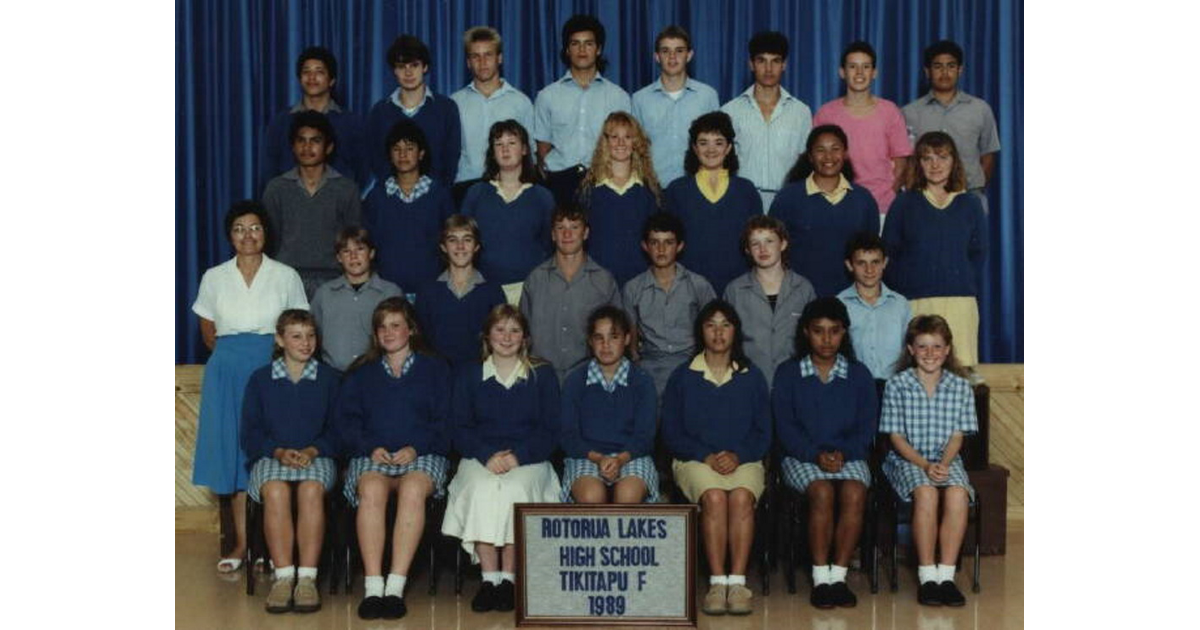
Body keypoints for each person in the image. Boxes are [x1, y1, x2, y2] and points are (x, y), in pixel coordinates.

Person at [191, 200, 308, 574]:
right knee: (235, 457)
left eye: (255, 227)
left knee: (270, 451)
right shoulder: (214, 276)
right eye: (240, 228)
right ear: (230, 235)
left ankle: (272, 547)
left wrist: (270, 360)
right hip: (226, 368)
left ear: (265, 233)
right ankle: (243, 544)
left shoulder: (285, 275)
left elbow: (297, 323)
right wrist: (233, 357)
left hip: (271, 366)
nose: (248, 235)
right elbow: (208, 331)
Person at [337, 298, 452, 620]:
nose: (388, 332)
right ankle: (374, 587)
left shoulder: (435, 369)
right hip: (374, 454)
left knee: (414, 489)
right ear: (375, 334)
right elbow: (346, 422)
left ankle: (395, 587)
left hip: (422, 453)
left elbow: (446, 423)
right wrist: (370, 446)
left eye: (396, 324)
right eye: (382, 327)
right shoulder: (362, 373)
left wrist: (416, 447)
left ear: (411, 329)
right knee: (372, 489)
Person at [443, 304, 562, 613]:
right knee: (482, 490)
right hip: (480, 456)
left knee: (514, 491)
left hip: (529, 458)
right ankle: (488, 579)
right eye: (499, 330)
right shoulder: (469, 374)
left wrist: (517, 457)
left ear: (525, 337)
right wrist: (486, 455)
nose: (506, 337)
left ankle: (508, 580)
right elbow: (459, 427)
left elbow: (551, 430)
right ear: (487, 335)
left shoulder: (543, 374)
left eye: (514, 330)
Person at [661, 300, 770, 616]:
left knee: (739, 498)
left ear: (736, 331)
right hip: (695, 460)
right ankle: (716, 583)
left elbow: (763, 433)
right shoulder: (683, 376)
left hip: (744, 459)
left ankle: (737, 583)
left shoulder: (752, 376)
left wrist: (739, 455)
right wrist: (705, 456)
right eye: (711, 325)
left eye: (726, 324)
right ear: (700, 331)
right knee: (714, 498)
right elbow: (671, 432)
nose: (719, 332)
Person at [771, 298, 877, 609]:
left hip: (849, 454)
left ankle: (838, 577)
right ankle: (820, 578)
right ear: (806, 333)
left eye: (834, 331)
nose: (827, 339)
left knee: (855, 491)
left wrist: (844, 453)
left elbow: (866, 427)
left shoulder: (858, 374)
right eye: (819, 331)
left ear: (844, 333)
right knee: (821, 492)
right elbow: (786, 428)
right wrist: (815, 455)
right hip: (801, 456)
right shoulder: (788, 373)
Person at [241, 310, 340, 614]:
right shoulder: (260, 379)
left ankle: (307, 578)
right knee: (275, 490)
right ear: (280, 339)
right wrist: (279, 451)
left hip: (316, 455)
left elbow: (340, 430)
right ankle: (283, 576)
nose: (305, 342)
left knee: (311, 489)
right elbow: (250, 433)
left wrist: (314, 450)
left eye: (310, 335)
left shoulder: (330, 379)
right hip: (274, 455)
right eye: (296, 336)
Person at [879, 315, 978, 607]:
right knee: (926, 493)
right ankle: (927, 577)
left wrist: (944, 464)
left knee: (958, 494)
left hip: (947, 460)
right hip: (908, 460)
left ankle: (945, 576)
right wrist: (924, 465)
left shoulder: (960, 387)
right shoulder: (897, 385)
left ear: (947, 350)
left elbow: (958, 435)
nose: (930, 353)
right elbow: (895, 437)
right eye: (922, 346)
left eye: (937, 346)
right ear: (910, 349)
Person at [882, 132, 986, 368]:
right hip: (917, 302)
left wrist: (960, 279)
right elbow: (889, 254)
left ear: (954, 161)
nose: (935, 164)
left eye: (942, 157)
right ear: (918, 164)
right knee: (918, 372)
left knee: (961, 374)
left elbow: (978, 253)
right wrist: (909, 285)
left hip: (960, 302)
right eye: (927, 158)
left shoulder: (970, 203)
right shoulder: (904, 203)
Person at [559, 306, 659, 504]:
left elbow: (645, 436)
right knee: (591, 496)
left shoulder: (642, 381)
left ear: (627, 339)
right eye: (599, 338)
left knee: (628, 496)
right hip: (587, 456)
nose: (606, 345)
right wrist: (598, 458)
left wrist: (620, 459)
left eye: (614, 337)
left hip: (631, 456)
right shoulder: (575, 380)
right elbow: (567, 434)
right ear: (590, 341)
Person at [533, 14, 632, 207]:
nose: (582, 50)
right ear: (567, 50)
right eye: (575, 44)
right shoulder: (548, 96)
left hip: (604, 181)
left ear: (599, 49)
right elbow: (542, 149)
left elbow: (627, 145)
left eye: (588, 44)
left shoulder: (618, 97)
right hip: (559, 182)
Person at [262, 110, 363, 297]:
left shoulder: (346, 189)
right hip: (287, 279)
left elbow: (353, 241)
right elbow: (269, 242)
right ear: (292, 146)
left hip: (334, 280)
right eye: (301, 140)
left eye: (315, 141)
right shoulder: (276, 189)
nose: (307, 147)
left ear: (329, 147)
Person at [770, 124, 880, 297]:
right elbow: (774, 251)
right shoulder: (788, 198)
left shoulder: (863, 199)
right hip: (799, 296)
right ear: (810, 156)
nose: (828, 156)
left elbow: (872, 252)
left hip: (852, 297)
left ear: (845, 154)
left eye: (835, 149)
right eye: (820, 150)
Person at [519, 205, 622, 382]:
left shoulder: (604, 281)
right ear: (553, 234)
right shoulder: (535, 279)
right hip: (542, 377)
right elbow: (522, 334)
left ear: (586, 233)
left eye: (574, 227)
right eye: (561, 228)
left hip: (590, 378)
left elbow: (617, 334)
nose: (567, 234)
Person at [663, 111, 762, 296]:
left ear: (729, 147)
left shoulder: (746, 190)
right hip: (687, 288)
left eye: (718, 142)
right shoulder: (676, 190)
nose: (711, 149)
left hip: (739, 288)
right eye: (703, 142)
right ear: (694, 147)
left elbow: (756, 243)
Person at [812, 41, 912, 219]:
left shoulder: (890, 111)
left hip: (882, 206)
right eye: (853, 67)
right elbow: (815, 160)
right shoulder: (826, 113)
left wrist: (888, 195)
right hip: (837, 205)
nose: (859, 73)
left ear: (874, 72)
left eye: (865, 67)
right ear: (842, 72)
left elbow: (901, 163)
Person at [460, 120, 555, 305]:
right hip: (483, 288)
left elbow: (549, 246)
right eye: (498, 144)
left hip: (530, 291)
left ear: (525, 149)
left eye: (512, 143)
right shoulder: (476, 193)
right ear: (492, 152)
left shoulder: (542, 197)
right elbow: (463, 242)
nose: (505, 149)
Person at [622, 211, 717, 397]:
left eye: (668, 242)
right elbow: (630, 338)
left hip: (692, 365)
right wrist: (636, 362)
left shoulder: (698, 285)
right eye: (654, 242)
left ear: (680, 246)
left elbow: (714, 327)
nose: (661, 249)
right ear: (645, 246)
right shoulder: (633, 288)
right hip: (650, 368)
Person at [902, 40, 1001, 214]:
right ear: (927, 71)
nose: (945, 72)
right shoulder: (909, 112)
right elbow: (907, 160)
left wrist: (975, 189)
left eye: (951, 66)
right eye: (938, 66)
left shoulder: (980, 109)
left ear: (960, 70)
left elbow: (988, 155)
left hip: (969, 195)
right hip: (925, 199)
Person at [362, 119, 454, 297]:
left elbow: (451, 242)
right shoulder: (377, 196)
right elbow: (367, 244)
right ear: (389, 155)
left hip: (432, 290)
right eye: (396, 149)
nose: (403, 154)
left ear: (421, 153)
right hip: (386, 292)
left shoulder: (439, 195)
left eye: (409, 148)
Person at [720, 31, 812, 209]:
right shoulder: (730, 111)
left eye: (775, 61)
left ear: (784, 65)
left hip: (788, 200)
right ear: (751, 64)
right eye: (762, 60)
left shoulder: (801, 112)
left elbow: (806, 163)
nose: (768, 69)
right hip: (742, 200)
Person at [722, 216, 815, 389]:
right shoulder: (734, 291)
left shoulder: (803, 289)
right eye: (755, 243)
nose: (762, 249)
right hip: (748, 384)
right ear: (748, 250)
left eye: (769, 241)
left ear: (783, 244)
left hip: (795, 385)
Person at [449, 26, 535, 205]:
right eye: (475, 56)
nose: (482, 62)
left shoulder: (520, 102)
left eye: (488, 55)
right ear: (468, 62)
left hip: (510, 188)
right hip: (466, 187)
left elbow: (530, 152)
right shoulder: (454, 103)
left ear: (500, 58)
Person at [260, 46, 366, 190]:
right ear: (299, 78)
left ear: (332, 80)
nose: (312, 77)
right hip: (290, 205)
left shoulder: (352, 123)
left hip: (338, 205)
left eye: (319, 72)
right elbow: (270, 169)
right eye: (306, 72)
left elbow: (362, 169)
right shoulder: (281, 121)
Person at [577, 112, 662, 285]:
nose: (621, 143)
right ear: (605, 142)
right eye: (614, 137)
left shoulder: (650, 191)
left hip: (641, 281)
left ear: (636, 143)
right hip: (597, 282)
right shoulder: (587, 191)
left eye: (628, 137)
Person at [366, 34, 461, 187]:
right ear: (394, 71)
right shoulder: (380, 112)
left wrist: (435, 194)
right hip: (392, 198)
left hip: (436, 199)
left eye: (414, 65)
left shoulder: (446, 108)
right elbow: (376, 159)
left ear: (425, 67)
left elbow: (451, 161)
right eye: (402, 67)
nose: (408, 73)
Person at [631, 25, 720, 185]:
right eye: (665, 51)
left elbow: (718, 146)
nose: (672, 57)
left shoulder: (707, 96)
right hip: (653, 189)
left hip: (696, 188)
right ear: (656, 56)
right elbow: (634, 150)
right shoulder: (640, 99)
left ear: (689, 55)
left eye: (679, 51)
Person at [415, 214, 507, 369]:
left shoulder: (492, 290)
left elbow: (499, 340)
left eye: (467, 240)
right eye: (453, 240)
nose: (460, 246)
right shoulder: (427, 291)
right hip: (438, 375)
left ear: (476, 246)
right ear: (443, 246)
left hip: (479, 376)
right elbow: (420, 342)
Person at [310, 227, 405, 371]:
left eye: (360, 249)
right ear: (339, 258)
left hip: (377, 374)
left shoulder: (390, 292)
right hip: (333, 375)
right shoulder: (324, 294)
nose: (353, 256)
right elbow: (313, 337)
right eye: (346, 251)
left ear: (371, 253)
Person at [836, 232, 911, 382]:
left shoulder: (900, 304)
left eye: (875, 262)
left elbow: (909, 351)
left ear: (885, 263)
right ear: (849, 265)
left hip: (894, 387)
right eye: (861, 263)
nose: (869, 270)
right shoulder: (838, 304)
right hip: (855, 388)